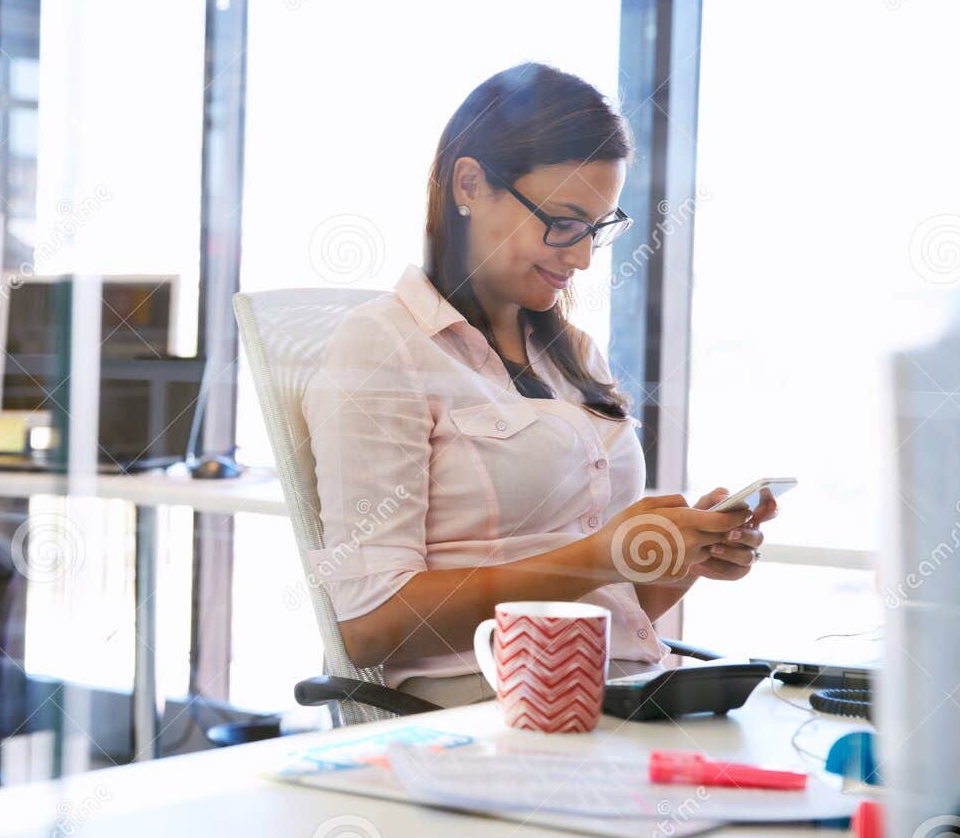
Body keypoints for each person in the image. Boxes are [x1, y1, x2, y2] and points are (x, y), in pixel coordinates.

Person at [302, 63, 780, 707]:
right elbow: (369, 627)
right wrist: (599, 556)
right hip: (488, 713)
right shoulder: (382, 348)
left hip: (622, 693)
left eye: (597, 229)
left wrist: (682, 555)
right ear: (469, 184)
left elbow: (613, 597)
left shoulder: (573, 354)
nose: (582, 257)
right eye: (563, 222)